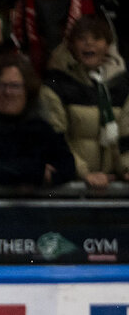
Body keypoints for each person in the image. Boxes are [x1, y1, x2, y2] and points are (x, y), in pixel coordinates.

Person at [0, 50, 77, 187]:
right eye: (1, 85)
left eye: (15, 86)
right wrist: (34, 173)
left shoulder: (41, 129)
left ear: (27, 90)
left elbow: (67, 167)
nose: (7, 92)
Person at [41, 13, 129, 189]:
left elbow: (126, 137)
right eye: (82, 39)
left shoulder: (123, 85)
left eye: (97, 38)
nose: (89, 43)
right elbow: (56, 140)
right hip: (71, 187)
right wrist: (84, 173)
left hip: (113, 186)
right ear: (71, 46)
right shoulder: (55, 84)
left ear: (108, 45)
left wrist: (126, 168)